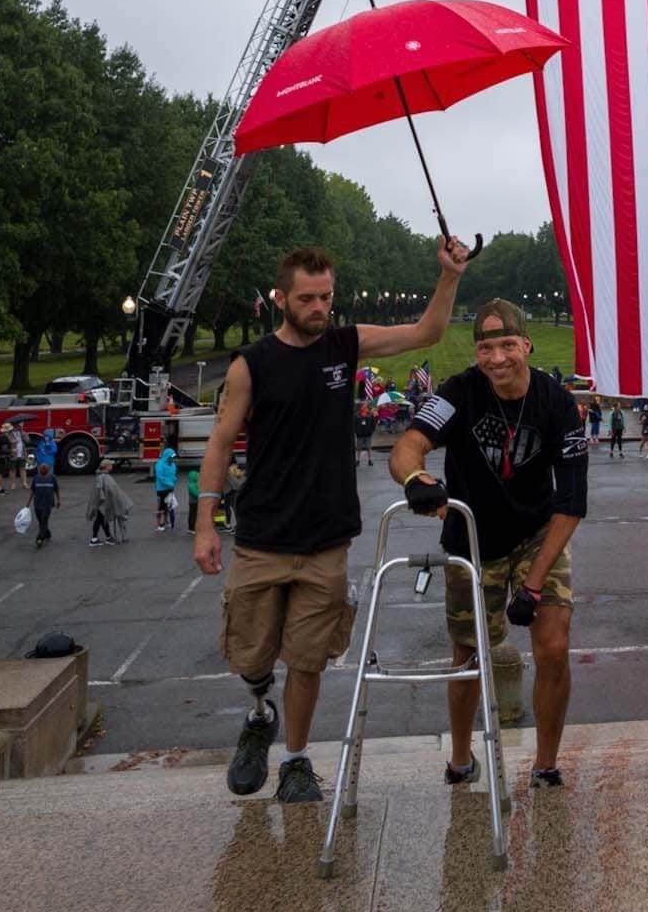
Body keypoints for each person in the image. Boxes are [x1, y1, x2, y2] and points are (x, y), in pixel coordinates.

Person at [195, 237, 468, 804]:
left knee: (308, 657)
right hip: (264, 534)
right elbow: (220, 443)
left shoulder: (344, 347)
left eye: (326, 297)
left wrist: (449, 277)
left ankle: (295, 760)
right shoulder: (253, 364)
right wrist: (203, 523)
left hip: (327, 536)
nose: (320, 308)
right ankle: (257, 713)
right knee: (250, 654)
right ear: (281, 299)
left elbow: (426, 333)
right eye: (307, 299)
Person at [390, 297, 588, 790]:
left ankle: (545, 762)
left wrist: (535, 586)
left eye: (506, 346)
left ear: (527, 344)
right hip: (472, 538)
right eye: (485, 348)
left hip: (537, 534)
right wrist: (416, 478)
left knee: (553, 645)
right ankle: (460, 758)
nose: (497, 358)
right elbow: (408, 444)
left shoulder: (557, 403)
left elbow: (572, 504)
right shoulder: (459, 391)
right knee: (468, 655)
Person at [88, 466, 131, 544]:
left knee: (102, 520)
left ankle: (107, 537)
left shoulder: (104, 476)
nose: (111, 466)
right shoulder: (101, 477)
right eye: (110, 465)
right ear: (106, 466)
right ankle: (94, 539)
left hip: (104, 503)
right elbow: (100, 489)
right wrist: (102, 500)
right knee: (99, 520)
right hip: (102, 503)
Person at [26, 458, 58, 549]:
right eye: (41, 469)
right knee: (41, 521)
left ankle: (39, 538)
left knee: (44, 520)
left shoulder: (52, 478)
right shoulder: (36, 478)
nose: (43, 470)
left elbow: (56, 489)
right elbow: (33, 491)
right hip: (37, 504)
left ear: (48, 470)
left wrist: (58, 500)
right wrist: (28, 503)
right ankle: (47, 533)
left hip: (48, 504)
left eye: (44, 469)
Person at [153, 440, 178, 532]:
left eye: (173, 457)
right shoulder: (160, 464)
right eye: (171, 457)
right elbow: (160, 477)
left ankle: (167, 521)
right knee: (161, 507)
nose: (172, 458)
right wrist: (169, 483)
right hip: (161, 489)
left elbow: (174, 474)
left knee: (169, 506)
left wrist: (174, 481)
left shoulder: (172, 464)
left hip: (170, 488)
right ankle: (160, 524)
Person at [354, 399, 377, 467]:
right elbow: (354, 424)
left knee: (369, 448)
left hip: (368, 434)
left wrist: (371, 431)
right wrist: (356, 431)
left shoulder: (370, 414)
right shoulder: (357, 414)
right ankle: (358, 460)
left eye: (365, 405)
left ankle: (370, 460)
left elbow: (373, 424)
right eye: (363, 405)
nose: (364, 406)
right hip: (359, 434)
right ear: (361, 406)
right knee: (358, 448)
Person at [0, 424, 14, 494]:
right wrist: (12, 451)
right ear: (7, 431)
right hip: (1, 458)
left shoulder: (1, 437)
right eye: (10, 430)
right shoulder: (4, 438)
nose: (11, 431)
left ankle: (0, 488)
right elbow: (4, 449)